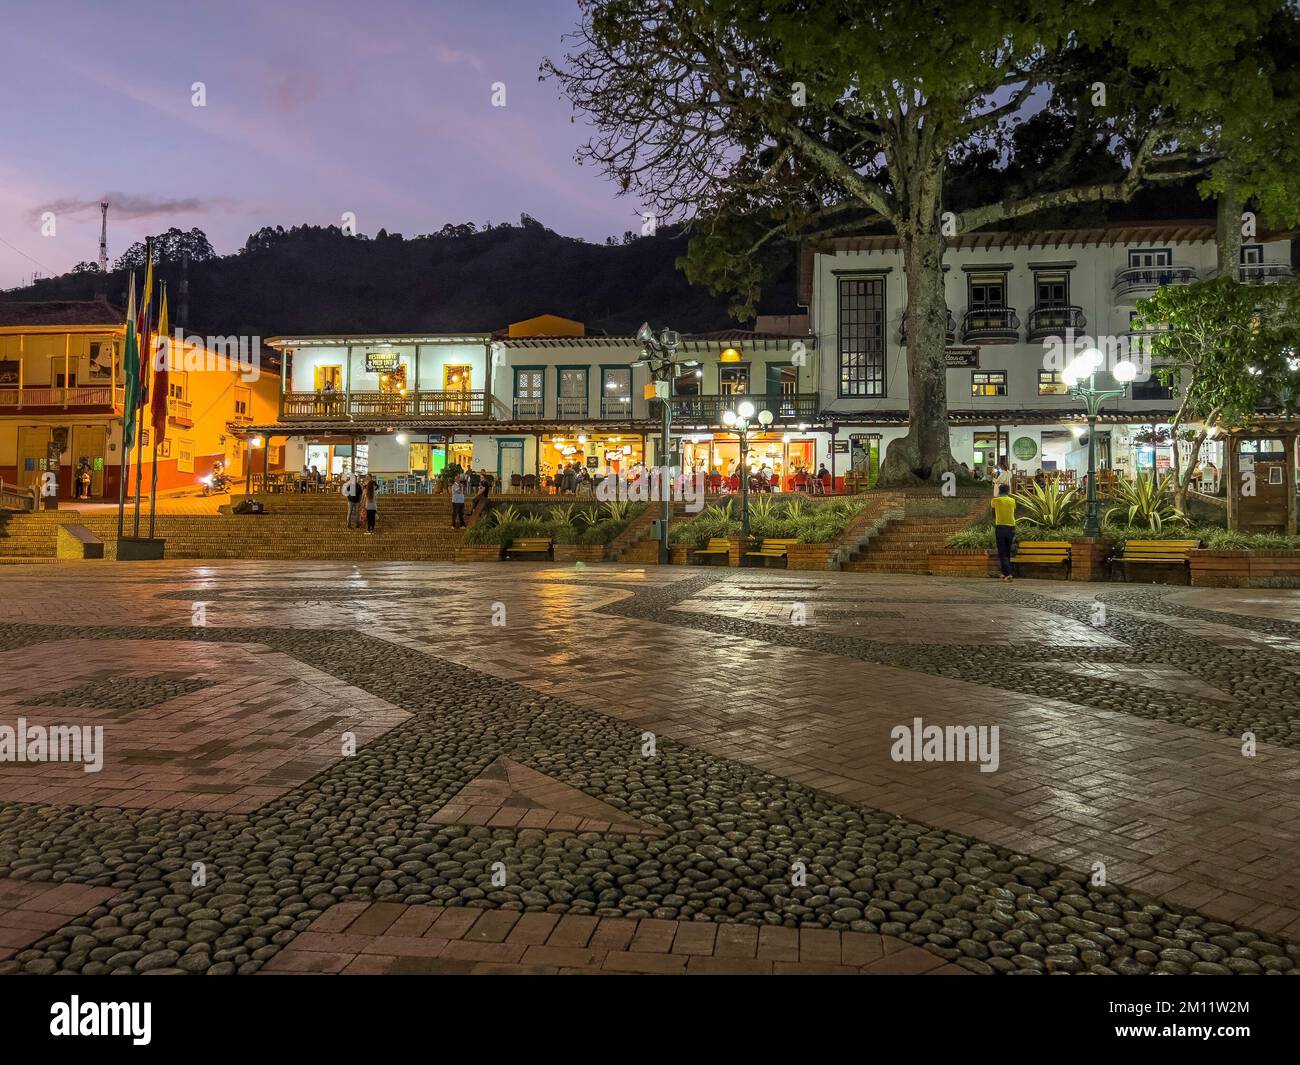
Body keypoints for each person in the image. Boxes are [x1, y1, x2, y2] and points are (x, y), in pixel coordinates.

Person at [992, 484, 1017, 581]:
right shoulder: (1012, 501)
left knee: (1002, 551)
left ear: (999, 491)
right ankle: (1004, 572)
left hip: (1000, 526)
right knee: (1007, 550)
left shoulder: (995, 500)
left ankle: (1008, 574)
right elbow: (1013, 512)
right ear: (1008, 491)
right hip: (1011, 527)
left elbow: (993, 514)